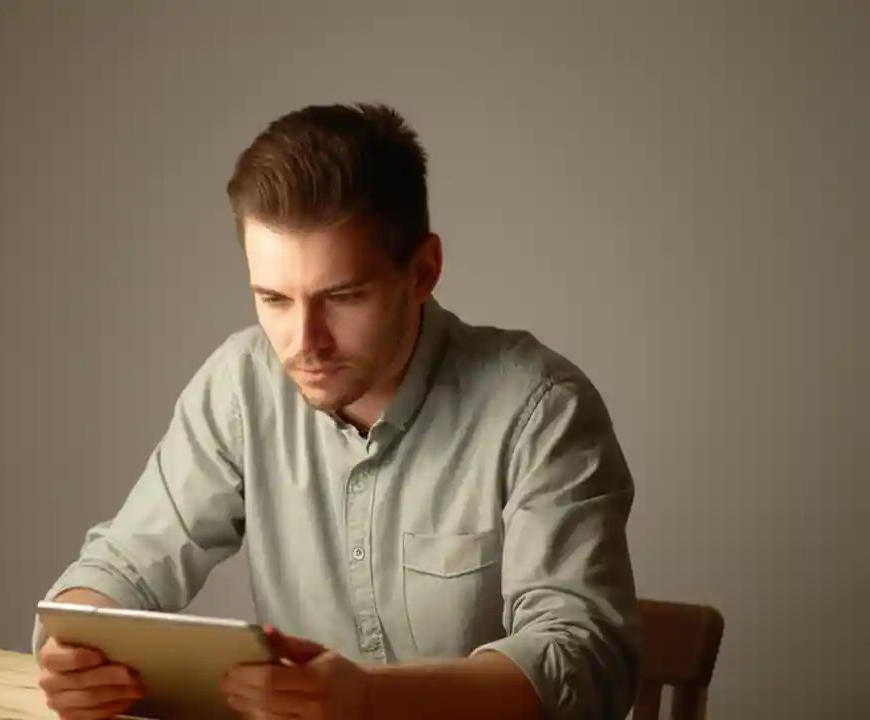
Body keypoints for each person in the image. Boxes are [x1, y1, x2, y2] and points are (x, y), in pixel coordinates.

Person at [31, 102, 640, 720]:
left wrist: (371, 700)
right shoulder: (241, 385)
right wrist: (75, 647)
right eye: (272, 298)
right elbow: (123, 566)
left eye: (343, 297)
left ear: (422, 271)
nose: (304, 342)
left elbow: (582, 663)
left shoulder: (540, 410)